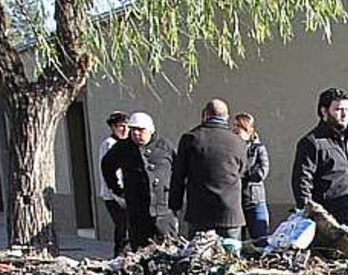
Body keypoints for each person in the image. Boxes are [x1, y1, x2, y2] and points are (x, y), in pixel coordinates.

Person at [292, 87, 348, 233]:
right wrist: (308, 214)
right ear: (324, 111)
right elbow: (302, 182)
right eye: (338, 109)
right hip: (327, 222)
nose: (344, 114)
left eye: (346, 110)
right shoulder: (312, 143)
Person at [170, 99, 248, 238]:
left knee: (199, 257)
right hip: (229, 212)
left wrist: (175, 205)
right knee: (230, 257)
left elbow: (179, 175)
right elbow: (242, 171)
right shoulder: (238, 141)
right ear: (226, 117)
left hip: (199, 211)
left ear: (205, 115)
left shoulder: (191, 138)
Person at [101, 111, 178, 251]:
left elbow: (178, 171)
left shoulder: (164, 146)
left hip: (163, 210)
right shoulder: (123, 148)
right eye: (133, 130)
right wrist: (117, 191)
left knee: (169, 250)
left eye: (141, 130)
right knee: (141, 252)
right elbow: (107, 166)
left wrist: (175, 196)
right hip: (138, 211)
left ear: (150, 130)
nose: (136, 134)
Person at [234, 113, 271, 240]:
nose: (235, 130)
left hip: (254, 200)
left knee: (261, 239)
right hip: (236, 201)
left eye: (238, 126)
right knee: (237, 242)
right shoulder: (232, 149)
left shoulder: (257, 149)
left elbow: (261, 173)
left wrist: (242, 173)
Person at [97, 112, 130, 255]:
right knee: (123, 227)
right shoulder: (110, 144)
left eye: (126, 126)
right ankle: (119, 255)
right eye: (120, 127)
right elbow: (109, 171)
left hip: (126, 192)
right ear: (113, 127)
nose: (124, 130)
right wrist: (118, 194)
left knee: (128, 227)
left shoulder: (126, 143)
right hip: (114, 194)